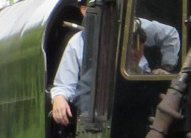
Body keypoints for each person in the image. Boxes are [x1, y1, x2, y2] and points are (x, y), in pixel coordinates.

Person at [50, 17, 182, 126]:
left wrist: (166, 70)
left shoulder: (149, 76)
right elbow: (79, 93)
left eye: (136, 46)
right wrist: (59, 97)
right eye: (128, 47)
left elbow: (170, 34)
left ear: (144, 47)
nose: (133, 52)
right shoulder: (98, 74)